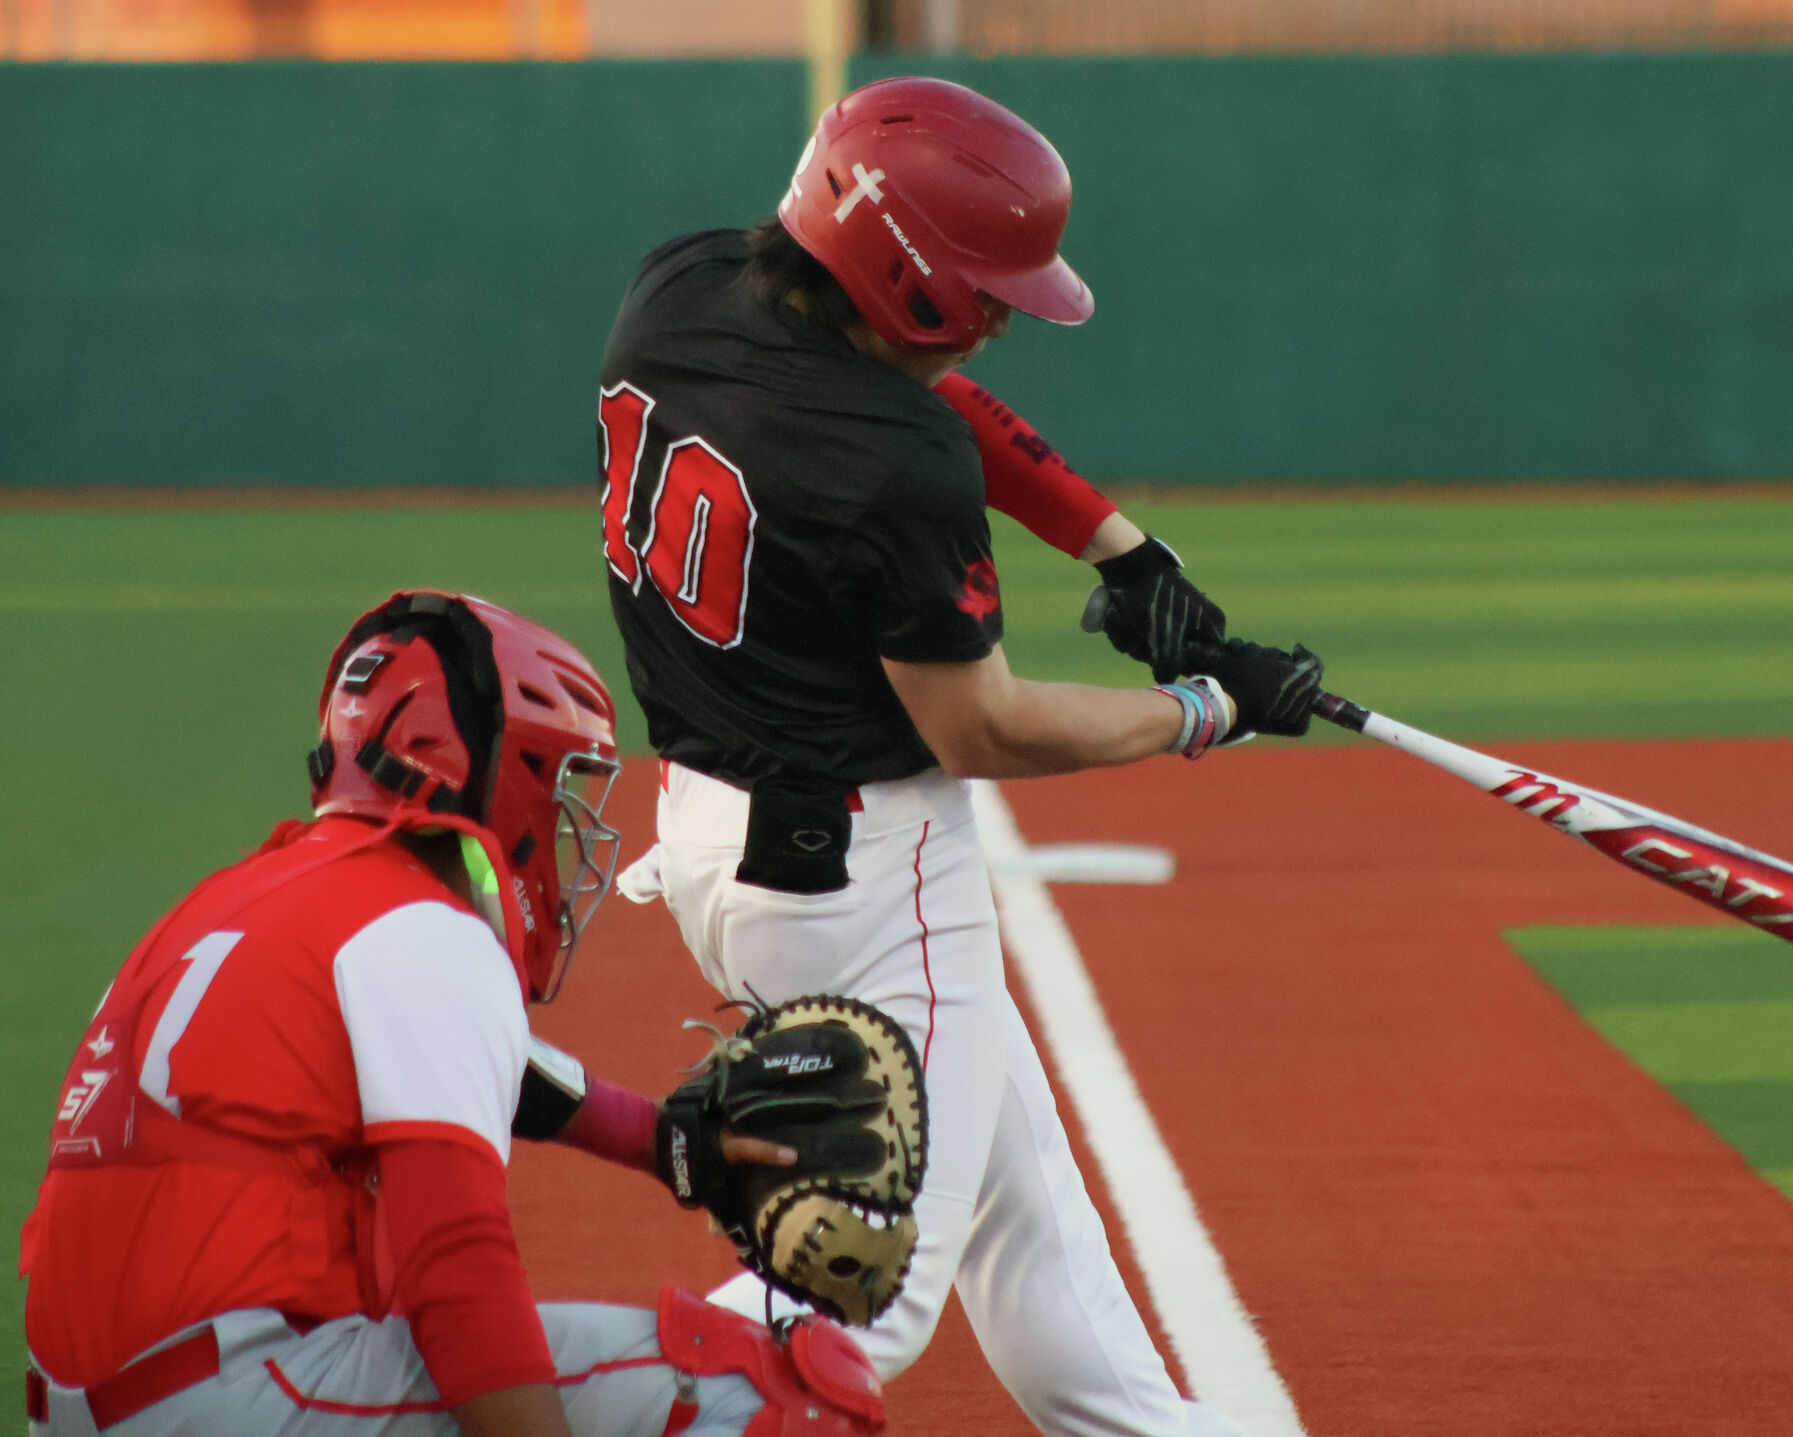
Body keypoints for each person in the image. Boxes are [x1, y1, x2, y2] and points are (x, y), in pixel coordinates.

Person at [596, 76, 1324, 1437]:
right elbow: (979, 725)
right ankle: (594, 1408)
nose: (1000, 314)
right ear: (905, 275)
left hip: (715, 843)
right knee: (866, 1289)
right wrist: (1206, 712)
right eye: (980, 287)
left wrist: (1120, 546)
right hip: (867, 882)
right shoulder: (891, 463)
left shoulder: (682, 288)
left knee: (1024, 1218)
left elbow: (919, 395)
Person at [20, 590, 889, 1437]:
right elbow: (457, 1267)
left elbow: (477, 1065)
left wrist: (665, 1140)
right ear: (495, 772)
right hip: (239, 1395)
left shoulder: (246, 901)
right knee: (790, 1389)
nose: (565, 830)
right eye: (555, 788)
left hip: (111, 1395)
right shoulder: (420, 926)